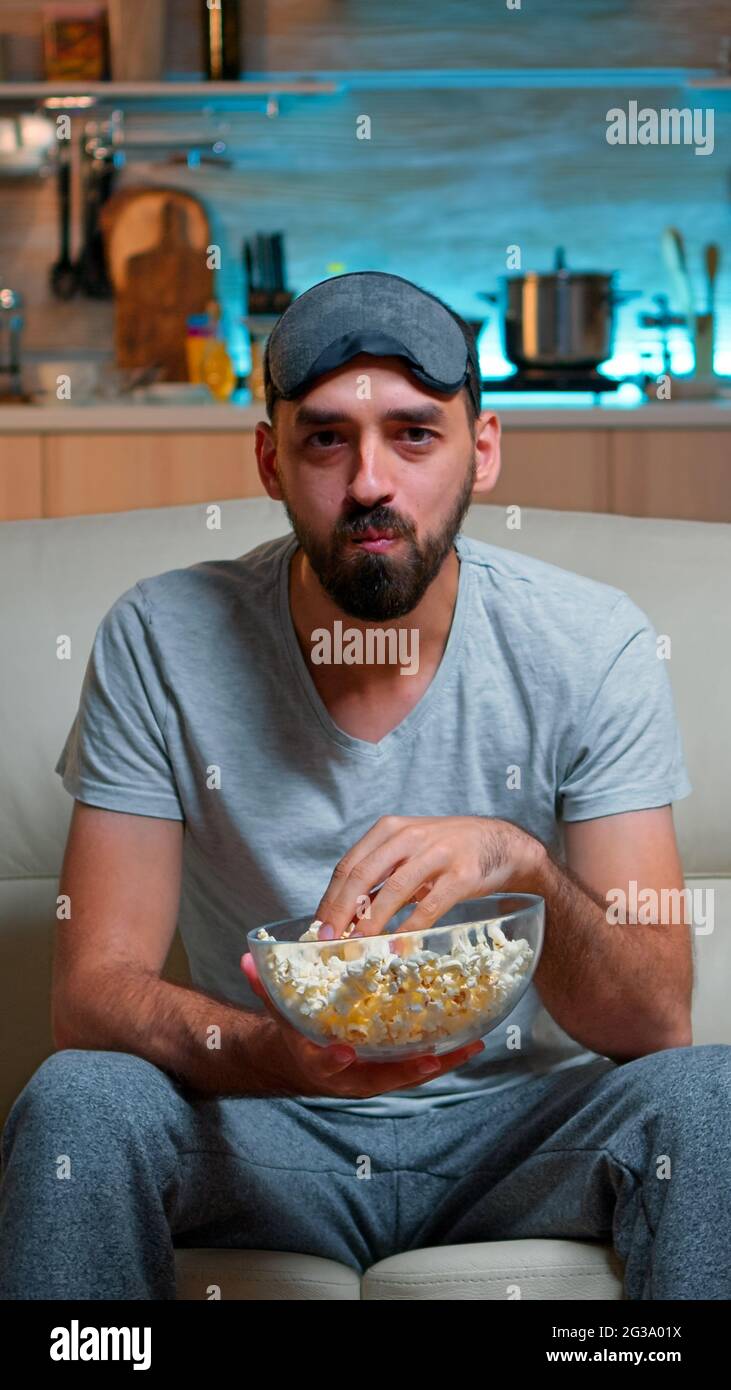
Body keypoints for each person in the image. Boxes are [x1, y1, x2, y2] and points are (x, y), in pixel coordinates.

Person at [0, 271, 728, 1301]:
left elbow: (654, 1020)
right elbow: (92, 993)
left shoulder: (589, 640)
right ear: (269, 459)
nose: (370, 482)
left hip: (516, 1138)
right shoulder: (161, 638)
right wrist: (278, 1053)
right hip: (261, 1130)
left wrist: (513, 859)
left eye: (414, 434)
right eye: (326, 438)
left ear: (482, 448)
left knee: (709, 1097)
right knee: (78, 1099)